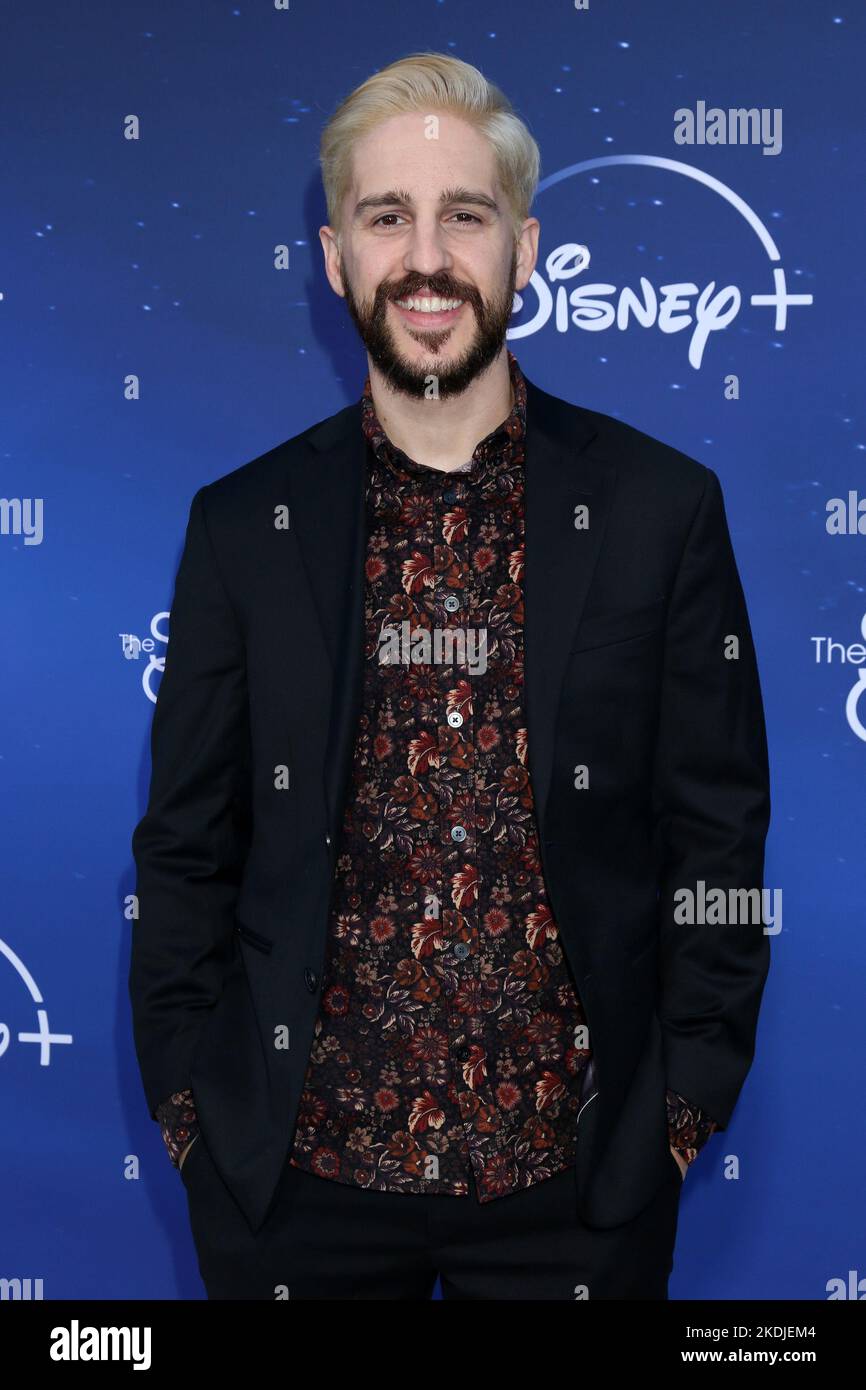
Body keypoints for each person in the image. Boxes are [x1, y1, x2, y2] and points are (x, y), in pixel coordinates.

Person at [129, 51, 771, 1300]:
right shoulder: (239, 525)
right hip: (293, 1192)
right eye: (388, 217)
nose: (427, 258)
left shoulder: (658, 510)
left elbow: (719, 842)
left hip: (575, 1192)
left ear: (523, 249)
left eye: (463, 216)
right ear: (335, 258)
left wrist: (682, 1105)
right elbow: (185, 850)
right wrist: (192, 1113)